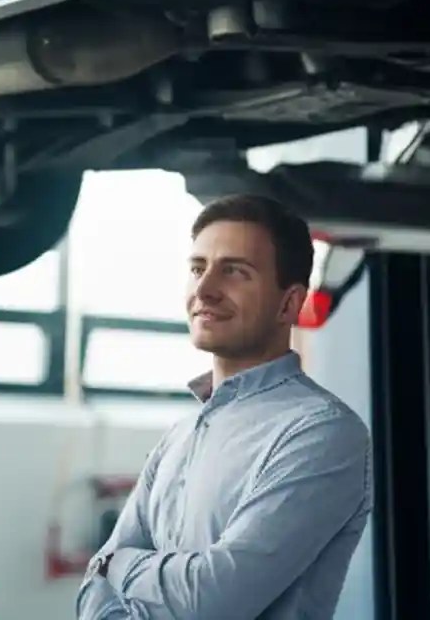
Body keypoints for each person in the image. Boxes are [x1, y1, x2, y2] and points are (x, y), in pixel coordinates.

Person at [77, 194, 372, 620]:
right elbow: (93, 594)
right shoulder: (180, 435)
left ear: (288, 303)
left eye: (234, 271)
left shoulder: (322, 432)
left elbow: (212, 601)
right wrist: (113, 572)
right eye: (198, 268)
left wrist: (116, 563)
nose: (204, 289)